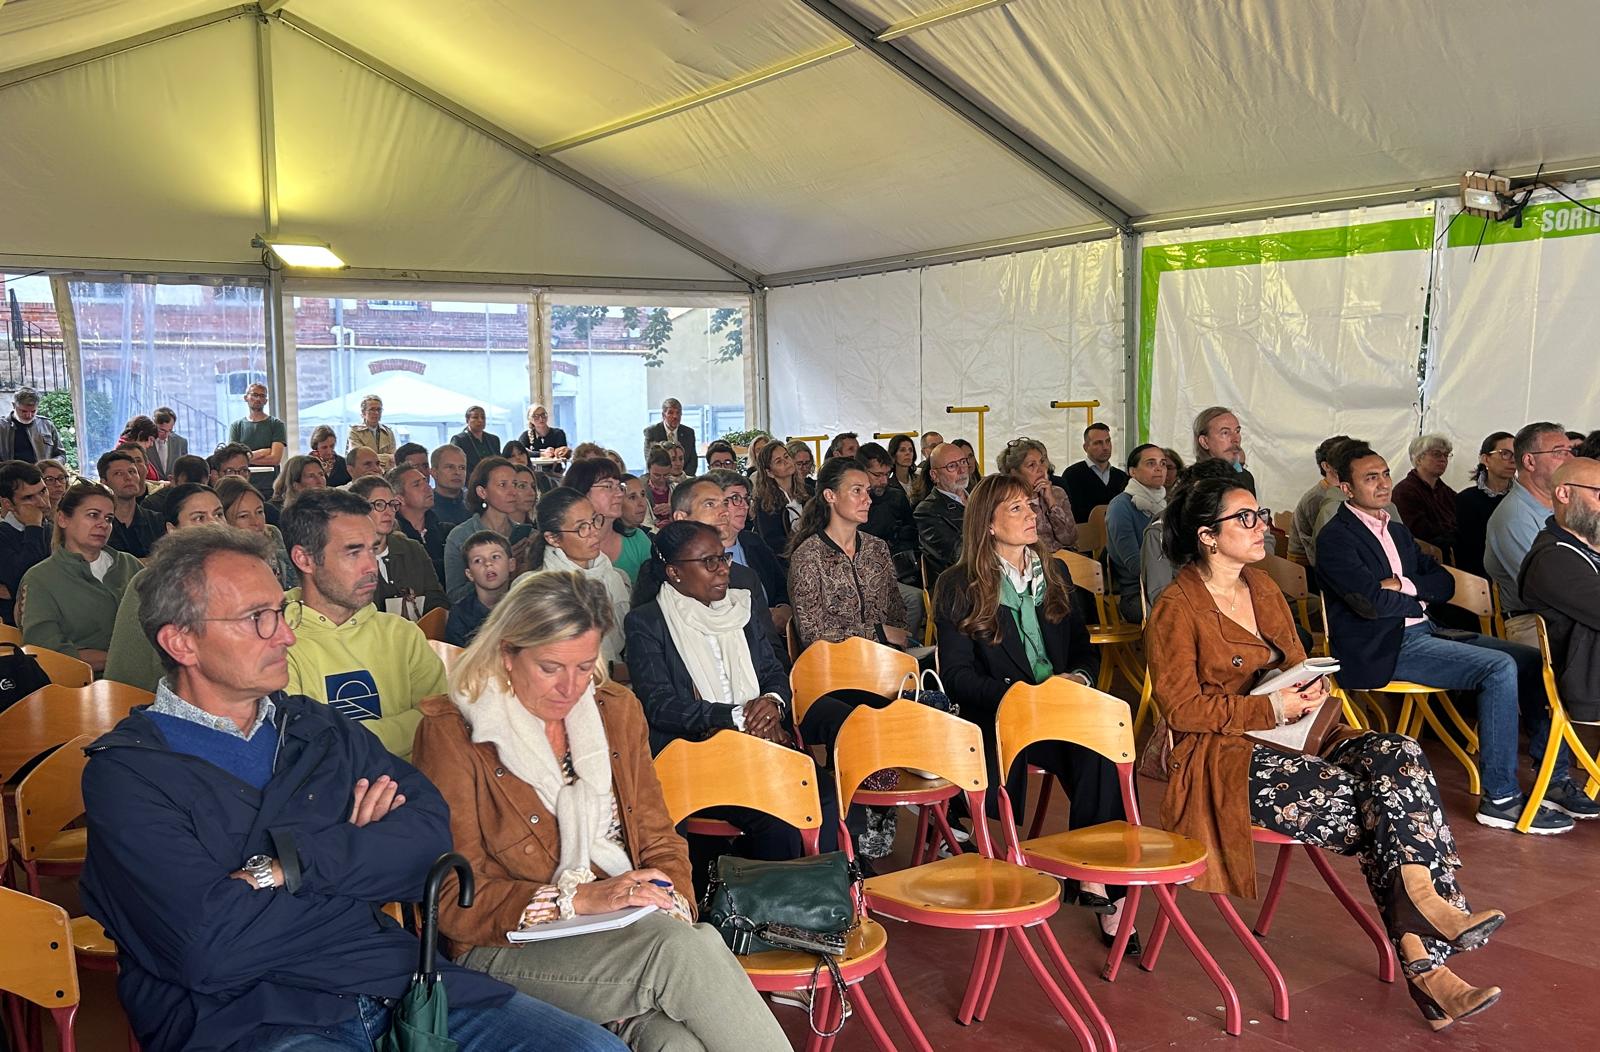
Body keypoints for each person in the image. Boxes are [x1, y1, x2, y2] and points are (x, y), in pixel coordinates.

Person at [80, 526, 623, 1052]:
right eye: (258, 618)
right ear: (181, 641)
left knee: (594, 1048)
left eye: (281, 613)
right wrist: (356, 864)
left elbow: (429, 845)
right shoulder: (128, 774)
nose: (286, 635)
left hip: (397, 983)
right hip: (246, 1017)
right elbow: (208, 952)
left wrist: (286, 868)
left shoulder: (317, 728)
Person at [1148, 477, 1508, 1030]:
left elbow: (1298, 663)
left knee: (1400, 755)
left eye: (1260, 514)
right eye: (1245, 518)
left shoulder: (1263, 587)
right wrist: (1270, 708)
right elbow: (1181, 710)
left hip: (1300, 733)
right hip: (1223, 756)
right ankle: (1427, 959)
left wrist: (1311, 686)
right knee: (1381, 806)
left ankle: (1424, 917)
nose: (1261, 526)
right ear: (1208, 536)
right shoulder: (1176, 607)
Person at [413, 568, 788, 1051]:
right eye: (550, 667)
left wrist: (666, 898)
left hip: (625, 935)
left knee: (676, 1042)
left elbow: (659, 838)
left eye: (584, 666)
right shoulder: (452, 732)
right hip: (504, 945)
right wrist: (577, 901)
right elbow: (451, 899)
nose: (570, 688)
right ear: (507, 653)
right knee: (681, 952)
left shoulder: (615, 709)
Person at [1316, 444, 1579, 832]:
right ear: (1346, 488)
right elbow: (1369, 604)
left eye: (1386, 474)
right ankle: (1501, 798)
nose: (1384, 483)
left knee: (1529, 659)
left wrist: (1403, 585)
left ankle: (1552, 780)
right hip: (1384, 646)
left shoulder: (1397, 531)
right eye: (1371, 478)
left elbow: (1444, 582)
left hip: (1426, 631)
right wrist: (1417, 597)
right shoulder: (1336, 538)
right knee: (1498, 668)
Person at [933, 475, 1130, 948]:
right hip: (1002, 717)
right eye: (1017, 509)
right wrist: (1019, 696)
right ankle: (1105, 888)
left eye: (1030, 506)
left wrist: (1078, 678)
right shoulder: (959, 584)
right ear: (988, 524)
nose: (1032, 515)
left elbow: (1083, 648)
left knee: (1104, 750)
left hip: (1059, 708)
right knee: (1088, 750)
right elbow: (957, 676)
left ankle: (1097, 878)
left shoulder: (1053, 571)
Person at [627, 522, 854, 869]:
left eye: (724, 558)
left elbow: (773, 670)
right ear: (674, 572)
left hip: (761, 744)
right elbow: (660, 705)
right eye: (709, 562)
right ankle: (781, 896)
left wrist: (772, 702)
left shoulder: (741, 608)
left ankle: (825, 887)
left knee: (822, 796)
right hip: (697, 756)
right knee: (778, 818)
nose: (722, 570)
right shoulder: (647, 622)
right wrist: (738, 717)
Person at [283, 488, 448, 759]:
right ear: (305, 559)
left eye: (373, 549)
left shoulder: (402, 635)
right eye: (353, 553)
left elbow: (441, 720)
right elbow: (302, 746)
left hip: (414, 784)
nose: (371, 566)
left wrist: (340, 739)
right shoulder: (278, 642)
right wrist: (409, 727)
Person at [104, 484, 228, 691]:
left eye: (218, 514)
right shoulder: (149, 583)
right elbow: (126, 673)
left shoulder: (240, 577)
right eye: (199, 518)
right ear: (172, 530)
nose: (214, 524)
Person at [18, 480, 141, 672]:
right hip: (86, 682)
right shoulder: (40, 578)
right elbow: (46, 651)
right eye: (93, 515)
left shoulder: (129, 564)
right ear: (63, 519)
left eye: (109, 518)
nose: (103, 524)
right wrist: (124, 659)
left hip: (151, 674)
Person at [789, 457, 908, 650]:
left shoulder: (877, 548)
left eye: (867, 491)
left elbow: (896, 611)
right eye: (857, 491)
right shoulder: (808, 557)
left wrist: (895, 649)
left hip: (883, 657)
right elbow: (812, 634)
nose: (868, 499)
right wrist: (878, 633)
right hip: (833, 662)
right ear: (830, 496)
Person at [666, 476, 789, 661]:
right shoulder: (661, 579)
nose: (724, 511)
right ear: (681, 518)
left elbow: (771, 651)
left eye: (724, 503)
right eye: (710, 504)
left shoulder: (745, 577)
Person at [1519, 457, 1600, 731]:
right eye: (1599, 494)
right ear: (1564, 493)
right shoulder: (1552, 559)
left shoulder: (1587, 548)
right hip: (1590, 686)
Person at [520, 487, 632, 678]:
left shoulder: (614, 577)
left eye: (595, 520)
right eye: (582, 527)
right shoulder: (532, 589)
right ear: (553, 538)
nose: (594, 532)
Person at [1486, 422, 1573, 615]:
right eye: (1560, 452)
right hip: (1534, 619)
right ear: (1530, 462)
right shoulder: (1515, 516)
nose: (1571, 460)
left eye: (1571, 451)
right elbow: (1549, 588)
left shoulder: (1563, 504)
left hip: (1572, 607)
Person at [351, 475, 447, 618]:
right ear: (358, 510)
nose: (388, 512)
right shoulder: (349, 557)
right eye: (379, 505)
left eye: (392, 504)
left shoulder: (412, 549)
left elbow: (437, 599)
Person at [858, 443, 926, 643]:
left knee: (914, 599)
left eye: (887, 475)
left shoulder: (896, 496)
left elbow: (912, 534)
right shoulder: (852, 503)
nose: (883, 481)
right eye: (877, 475)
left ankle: (903, 647)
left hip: (897, 570)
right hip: (863, 574)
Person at [564, 456, 654, 585]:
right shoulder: (567, 543)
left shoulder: (637, 539)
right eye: (608, 486)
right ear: (582, 492)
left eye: (619, 486)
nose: (620, 494)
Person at [1106, 443, 1168, 623]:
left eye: (1163, 463)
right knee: (1182, 615)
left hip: (1170, 587)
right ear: (1132, 472)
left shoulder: (1168, 504)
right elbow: (1134, 564)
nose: (1159, 468)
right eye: (1151, 463)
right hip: (1137, 594)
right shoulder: (1120, 507)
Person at [444, 456, 521, 603]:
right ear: (482, 492)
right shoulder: (460, 536)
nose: (513, 492)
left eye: (515, 484)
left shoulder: (526, 534)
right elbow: (454, 596)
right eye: (503, 485)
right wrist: (493, 572)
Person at [997, 437, 1078, 554]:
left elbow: (1070, 539)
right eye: (1031, 465)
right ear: (1015, 473)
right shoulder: (1010, 501)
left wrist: (1051, 502)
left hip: (1065, 557)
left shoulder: (1057, 493)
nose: (1041, 469)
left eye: (1042, 462)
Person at [215, 475, 296, 587]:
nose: (256, 522)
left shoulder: (273, 534)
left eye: (259, 512)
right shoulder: (220, 562)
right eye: (243, 516)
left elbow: (293, 584)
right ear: (224, 520)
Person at [1455, 431, 1516, 579]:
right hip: (1480, 577)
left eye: (1516, 454)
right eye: (1505, 454)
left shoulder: (1523, 498)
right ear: (1485, 459)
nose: (1513, 460)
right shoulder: (1466, 500)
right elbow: (1469, 551)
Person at [0, 460, 52, 623]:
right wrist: (33, 527)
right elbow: (27, 580)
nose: (42, 503)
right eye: (29, 498)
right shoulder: (3, 535)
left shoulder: (52, 528)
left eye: (43, 491)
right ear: (8, 504)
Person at [914, 441, 972, 586]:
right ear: (934, 475)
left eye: (963, 462)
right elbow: (957, 556)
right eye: (952, 466)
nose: (961, 470)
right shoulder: (927, 511)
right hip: (960, 585)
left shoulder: (979, 497)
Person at [1393, 434, 1458, 560]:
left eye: (1446, 455)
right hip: (1426, 559)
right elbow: (1420, 533)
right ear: (1418, 459)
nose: (1443, 459)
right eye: (1436, 454)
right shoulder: (1404, 492)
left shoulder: (1447, 492)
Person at [1289, 435, 1352, 564]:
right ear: (1326, 466)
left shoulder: (1347, 491)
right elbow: (1323, 548)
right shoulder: (1316, 498)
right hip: (1306, 569)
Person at [447, 531, 511, 647]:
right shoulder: (460, 614)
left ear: (511, 564)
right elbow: (457, 654)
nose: (488, 563)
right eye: (478, 561)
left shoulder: (525, 605)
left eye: (495, 557)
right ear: (469, 574)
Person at [1059, 423, 1130, 524]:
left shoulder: (1121, 477)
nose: (1105, 447)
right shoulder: (1072, 475)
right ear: (1086, 447)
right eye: (1098, 443)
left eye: (1108, 441)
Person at [99, 449, 162, 558]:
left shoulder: (156, 521)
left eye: (132, 472)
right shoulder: (98, 525)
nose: (128, 478)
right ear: (104, 482)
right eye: (118, 473)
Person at [227, 382, 287, 496]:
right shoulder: (237, 426)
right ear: (246, 398)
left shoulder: (276, 424)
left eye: (262, 396)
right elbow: (233, 460)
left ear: (266, 400)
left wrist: (246, 458)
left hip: (270, 486)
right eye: (254, 395)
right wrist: (263, 452)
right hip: (243, 485)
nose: (258, 399)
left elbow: (275, 459)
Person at [390, 462, 447, 582]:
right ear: (399, 499)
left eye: (425, 481)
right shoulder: (393, 539)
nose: (428, 487)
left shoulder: (447, 532)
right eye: (417, 485)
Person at [750, 438, 806, 554]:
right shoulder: (765, 503)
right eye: (778, 461)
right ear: (769, 472)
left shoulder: (808, 492)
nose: (786, 462)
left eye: (786, 457)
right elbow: (773, 543)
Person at [1191, 405, 1256, 492]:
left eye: (1237, 431)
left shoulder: (1244, 477)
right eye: (1225, 433)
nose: (1235, 439)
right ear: (1204, 442)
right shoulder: (1195, 484)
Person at [0, 387, 66, 462]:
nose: (29, 415)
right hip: (9, 469)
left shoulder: (47, 425)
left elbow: (61, 455)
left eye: (33, 411)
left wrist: (49, 465)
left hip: (41, 469)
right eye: (24, 411)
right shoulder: (1, 427)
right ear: (14, 405)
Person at [643, 397, 698, 474]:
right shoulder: (652, 432)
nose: (675, 416)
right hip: (660, 477)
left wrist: (682, 477)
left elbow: (693, 461)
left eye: (678, 413)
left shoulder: (688, 433)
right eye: (671, 413)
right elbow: (650, 460)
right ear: (663, 415)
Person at [346, 394, 397, 468]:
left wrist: (372, 459)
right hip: (364, 472)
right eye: (372, 409)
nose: (376, 413)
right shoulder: (355, 432)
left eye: (379, 409)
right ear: (363, 413)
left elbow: (393, 459)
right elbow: (360, 458)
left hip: (386, 473)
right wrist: (386, 458)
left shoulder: (388, 432)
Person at [451, 404, 501, 473]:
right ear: (467, 420)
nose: (480, 420)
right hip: (470, 477)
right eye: (475, 417)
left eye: (483, 417)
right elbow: (456, 465)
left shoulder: (494, 439)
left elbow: (499, 462)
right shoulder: (459, 440)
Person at [431, 442, 471, 527]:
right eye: (450, 467)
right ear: (434, 472)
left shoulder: (474, 504)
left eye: (462, 468)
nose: (457, 472)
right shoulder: (426, 509)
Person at [149, 407, 187, 480]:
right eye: (162, 430)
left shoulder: (181, 442)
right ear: (154, 425)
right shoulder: (145, 441)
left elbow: (184, 470)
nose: (166, 435)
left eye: (170, 430)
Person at [644, 443, 676, 520]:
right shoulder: (641, 490)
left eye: (666, 475)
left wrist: (674, 508)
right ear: (649, 469)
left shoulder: (676, 488)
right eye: (657, 475)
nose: (661, 479)